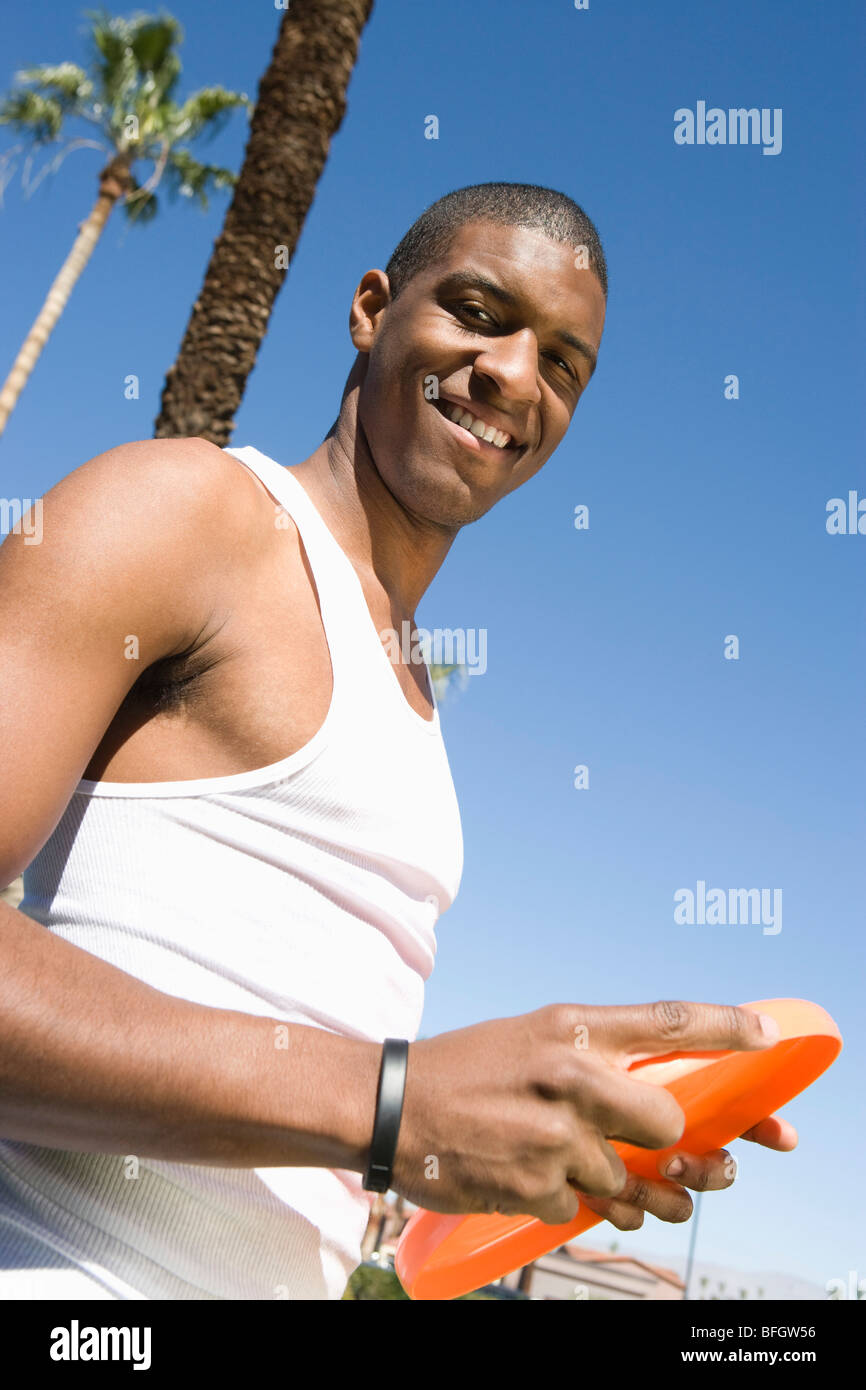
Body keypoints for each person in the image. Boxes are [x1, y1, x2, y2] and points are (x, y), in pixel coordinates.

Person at [0, 183, 796, 1301]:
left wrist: (525, 1129)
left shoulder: (414, 700)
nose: (514, 374)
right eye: (479, 312)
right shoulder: (185, 510)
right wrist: (393, 1106)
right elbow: (368, 1099)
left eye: (561, 363)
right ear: (372, 307)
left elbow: (301, 1091)